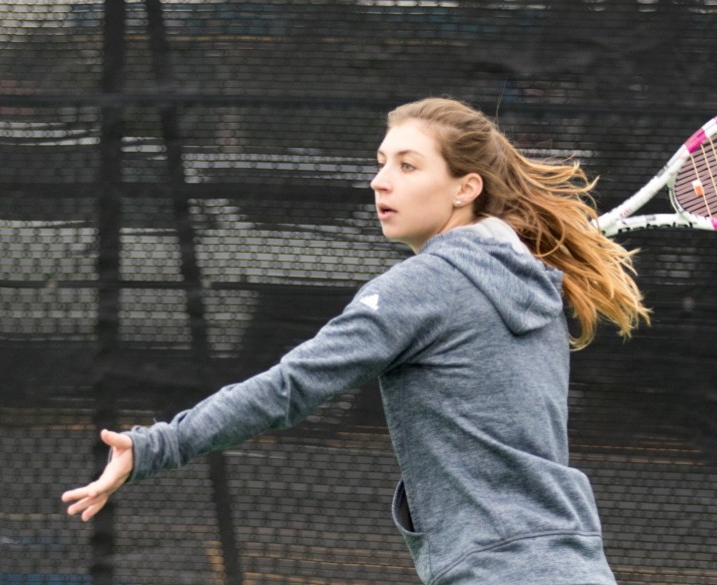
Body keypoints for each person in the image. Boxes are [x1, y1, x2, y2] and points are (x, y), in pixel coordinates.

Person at [62, 97, 649, 584]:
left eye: (408, 166)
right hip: (573, 565)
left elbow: (289, 389)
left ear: (465, 187)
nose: (379, 180)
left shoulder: (426, 286)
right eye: (381, 161)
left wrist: (157, 446)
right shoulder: (529, 282)